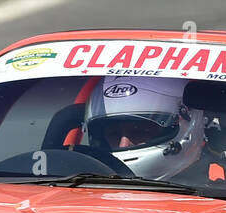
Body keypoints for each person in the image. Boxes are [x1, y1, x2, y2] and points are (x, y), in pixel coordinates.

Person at [79, 76, 209, 180]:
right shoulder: (81, 182)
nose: (123, 145)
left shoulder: (224, 187)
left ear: (186, 126)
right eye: (113, 134)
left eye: (139, 132)